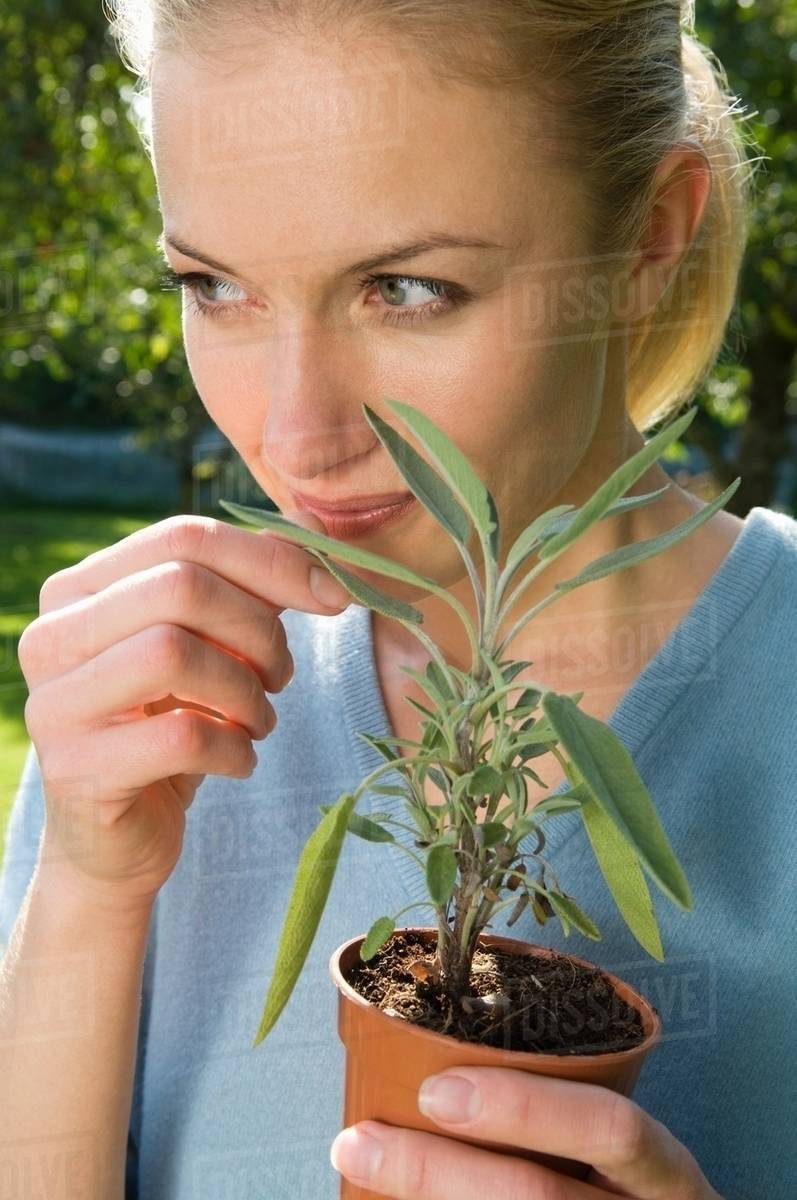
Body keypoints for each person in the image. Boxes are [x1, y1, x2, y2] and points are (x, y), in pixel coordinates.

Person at [1, 2, 794, 1198]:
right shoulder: (154, 685)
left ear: (643, 239)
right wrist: (88, 891)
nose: (292, 437)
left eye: (408, 288)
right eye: (212, 284)